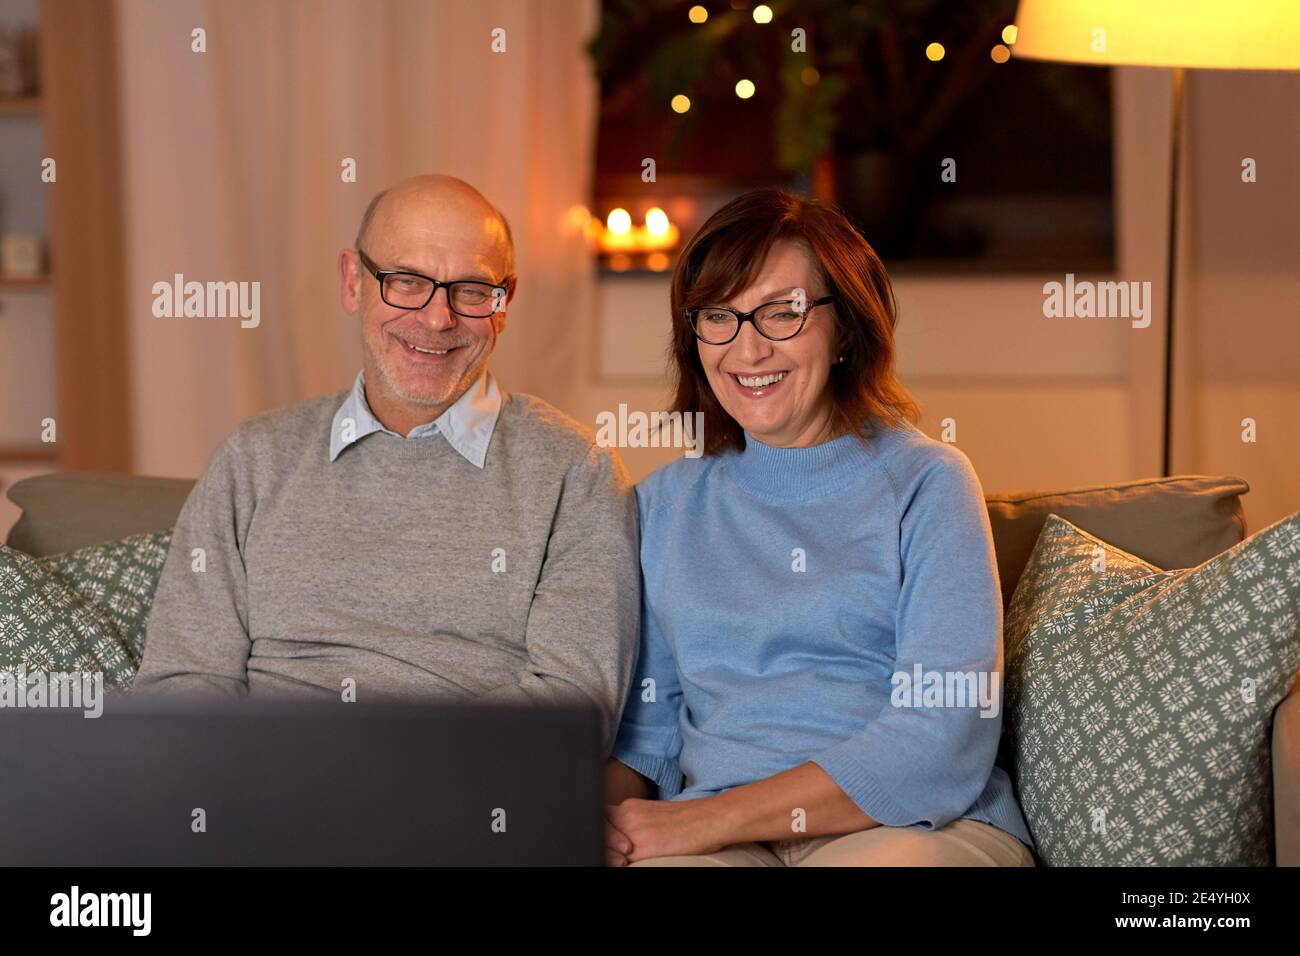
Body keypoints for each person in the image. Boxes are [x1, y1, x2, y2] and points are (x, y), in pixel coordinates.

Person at [135, 174, 639, 755]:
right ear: (354, 282)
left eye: (471, 289)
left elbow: (573, 707)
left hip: (462, 801)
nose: (436, 319)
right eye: (406, 282)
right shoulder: (253, 460)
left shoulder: (578, 471)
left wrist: (380, 774)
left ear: (504, 304)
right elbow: (186, 681)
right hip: (261, 794)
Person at [604, 188, 1034, 865]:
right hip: (719, 836)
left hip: (909, 825)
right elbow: (648, 736)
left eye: (783, 313)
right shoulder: (664, 505)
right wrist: (589, 820)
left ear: (846, 329)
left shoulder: (929, 483)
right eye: (719, 316)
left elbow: (939, 738)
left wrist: (710, 819)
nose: (747, 349)